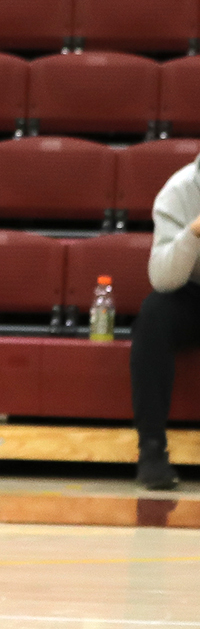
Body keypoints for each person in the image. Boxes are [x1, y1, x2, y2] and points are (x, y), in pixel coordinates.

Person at [133, 151, 200, 490]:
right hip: (191, 292)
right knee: (153, 315)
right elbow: (162, 278)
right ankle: (152, 449)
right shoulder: (179, 190)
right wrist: (193, 232)